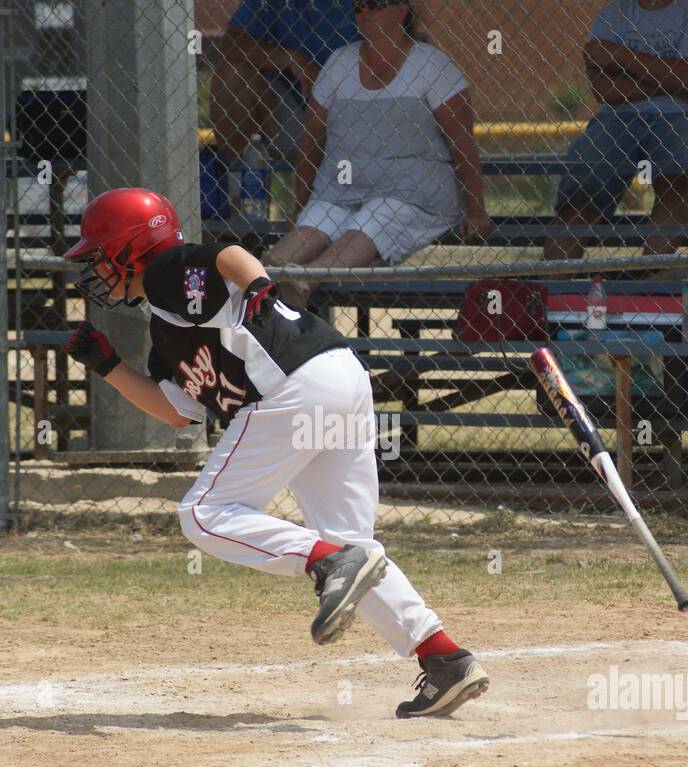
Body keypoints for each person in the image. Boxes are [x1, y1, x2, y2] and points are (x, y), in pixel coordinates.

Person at [62, 187, 490, 718]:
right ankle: (443, 659)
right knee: (353, 546)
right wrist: (107, 366)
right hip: (337, 379)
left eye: (101, 255)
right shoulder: (166, 323)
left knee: (204, 514)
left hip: (294, 388)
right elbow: (177, 410)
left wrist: (257, 282)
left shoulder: (166, 270)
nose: (96, 270)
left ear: (131, 247)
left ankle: (326, 561)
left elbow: (224, 255)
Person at [265, 0, 488, 304]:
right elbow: (310, 140)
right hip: (340, 191)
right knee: (314, 223)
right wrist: (300, 205)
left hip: (410, 194)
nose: (366, 12)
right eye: (359, 6)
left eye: (376, 4)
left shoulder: (431, 64)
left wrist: (476, 210)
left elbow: (462, 141)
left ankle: (301, 283)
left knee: (375, 218)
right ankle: (260, 278)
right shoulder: (339, 62)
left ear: (402, 9)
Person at [545, 0, 688, 263]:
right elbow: (605, 90)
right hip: (616, 117)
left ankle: (648, 278)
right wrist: (676, 83)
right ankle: (553, 283)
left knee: (678, 180)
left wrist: (620, 55)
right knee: (580, 195)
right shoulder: (611, 15)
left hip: (682, 116)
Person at [207, 0, 360, 179]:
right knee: (231, 75)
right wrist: (292, 59)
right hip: (295, 110)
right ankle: (245, 186)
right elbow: (231, 43)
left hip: (363, 114)